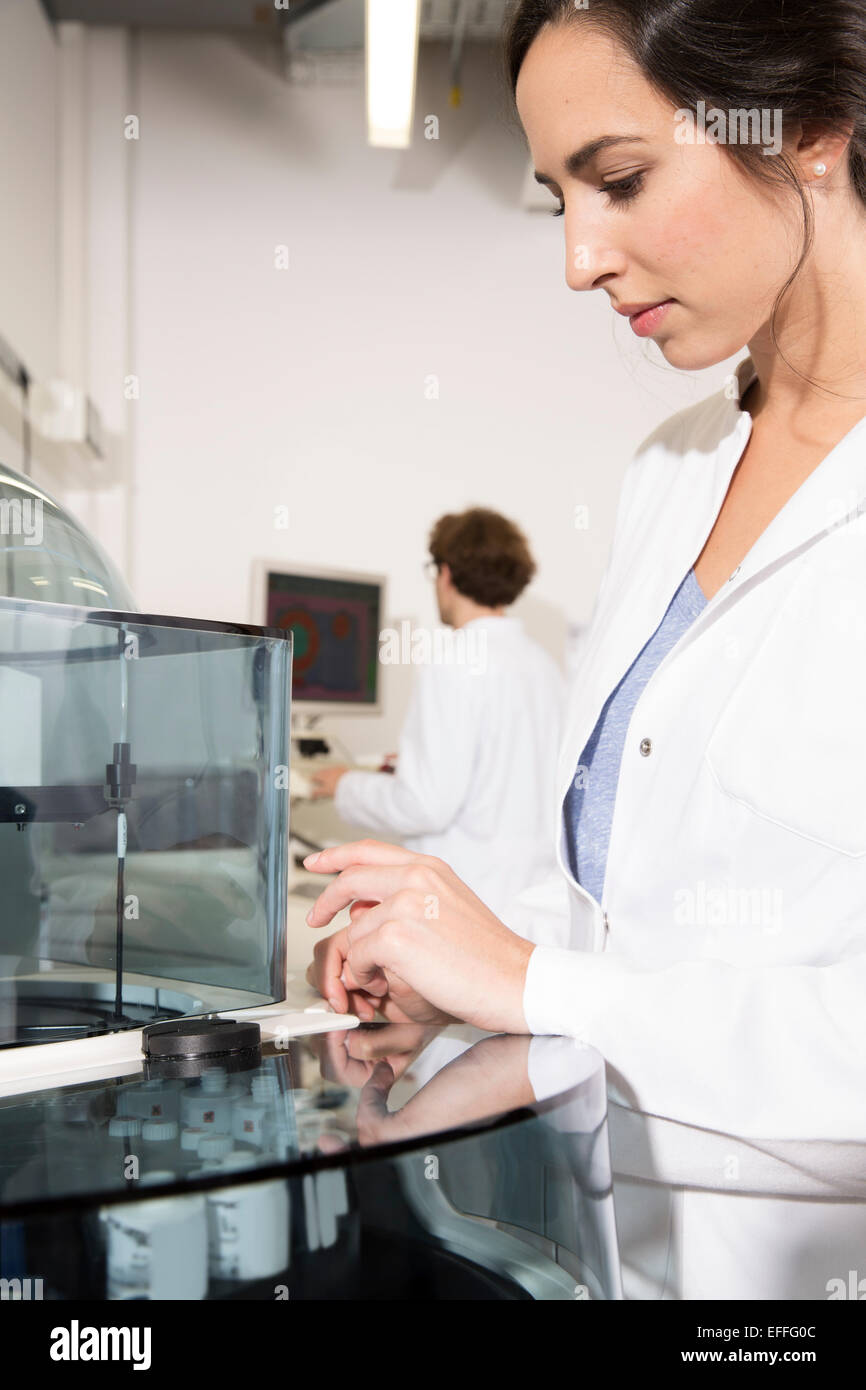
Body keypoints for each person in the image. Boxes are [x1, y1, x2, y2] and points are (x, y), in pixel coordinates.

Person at [303, 0, 866, 1295]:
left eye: (616, 180)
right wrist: (470, 972)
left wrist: (535, 980)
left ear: (815, 130)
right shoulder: (670, 474)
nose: (577, 258)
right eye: (558, 195)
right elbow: (641, 924)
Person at [309, 508, 565, 920]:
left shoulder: (454, 662)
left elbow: (425, 805)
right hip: (530, 906)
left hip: (466, 904)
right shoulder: (544, 665)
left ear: (445, 574)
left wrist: (344, 785)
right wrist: (416, 765)